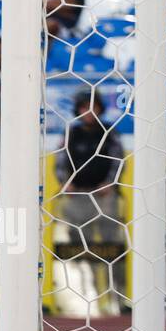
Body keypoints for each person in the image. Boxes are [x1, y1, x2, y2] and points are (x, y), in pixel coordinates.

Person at [53, 89, 126, 316]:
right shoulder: (71, 134)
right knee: (76, 249)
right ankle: (84, 299)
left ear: (101, 109)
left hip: (104, 198)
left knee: (110, 248)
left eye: (93, 107)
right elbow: (60, 161)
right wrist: (67, 183)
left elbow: (118, 160)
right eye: (84, 107)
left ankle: (116, 300)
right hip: (77, 197)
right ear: (78, 109)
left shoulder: (109, 133)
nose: (89, 112)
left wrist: (110, 184)